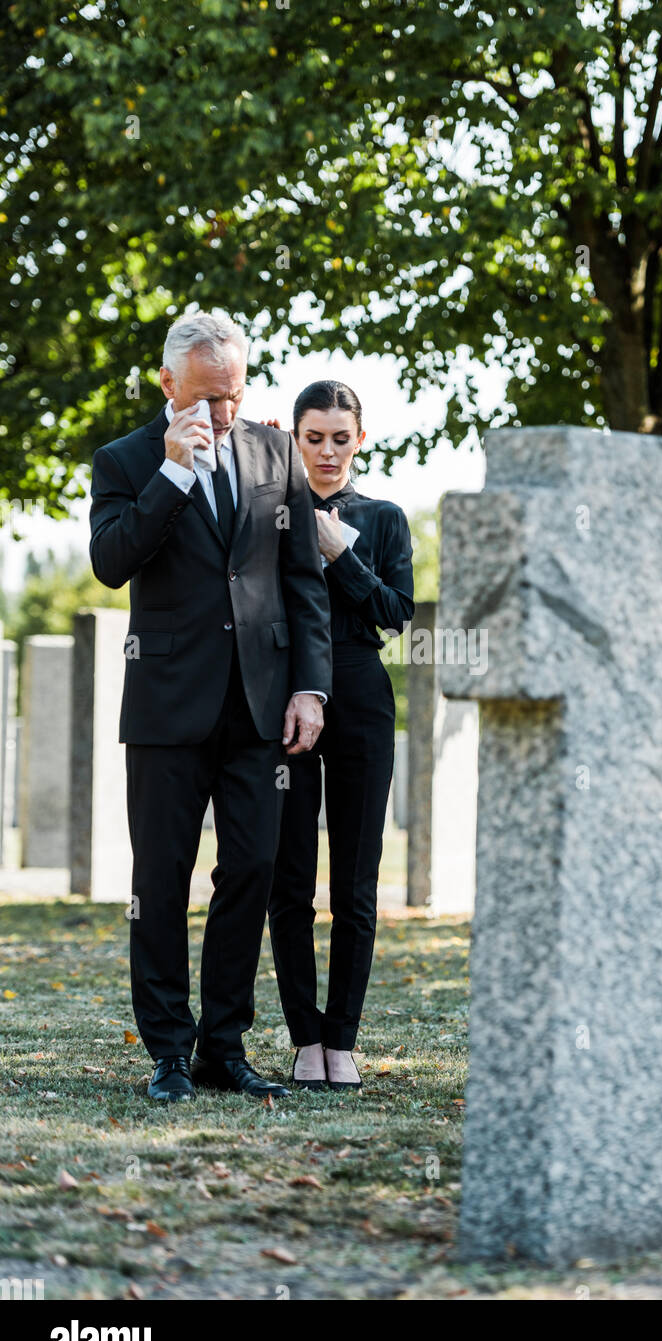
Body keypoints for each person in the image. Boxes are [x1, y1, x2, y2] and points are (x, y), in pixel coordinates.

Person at [89, 311, 332, 1102]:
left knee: (254, 868)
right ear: (167, 385)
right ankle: (167, 1050)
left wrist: (309, 684)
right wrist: (173, 475)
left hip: (259, 704)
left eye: (232, 396)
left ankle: (223, 1047)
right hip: (166, 704)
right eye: (205, 398)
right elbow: (111, 562)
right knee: (161, 878)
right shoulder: (124, 459)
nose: (222, 415)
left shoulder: (273, 452)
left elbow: (300, 579)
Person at [265, 381, 414, 1091]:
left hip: (360, 698)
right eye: (312, 437)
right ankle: (303, 1037)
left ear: (360, 438)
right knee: (288, 878)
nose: (327, 451)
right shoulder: (271, 511)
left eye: (340, 437)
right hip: (284, 699)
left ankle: (342, 1039)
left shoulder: (383, 518)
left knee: (354, 881)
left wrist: (339, 554)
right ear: (294, 438)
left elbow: (394, 612)